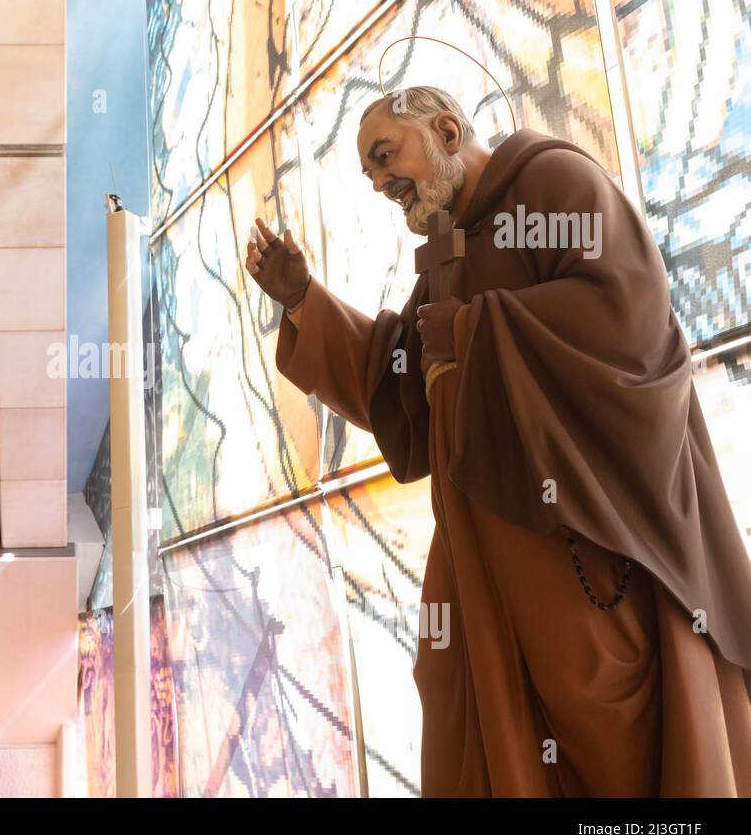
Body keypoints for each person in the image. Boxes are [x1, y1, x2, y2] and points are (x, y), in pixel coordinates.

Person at [246, 85, 751, 796]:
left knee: (613, 746)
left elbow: (631, 318)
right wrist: (305, 299)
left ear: (448, 130)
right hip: (485, 573)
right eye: (370, 174)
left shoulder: (553, 181)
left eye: (386, 157)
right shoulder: (454, 246)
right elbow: (400, 384)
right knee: (471, 709)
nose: (382, 184)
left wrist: (480, 331)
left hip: (582, 553)